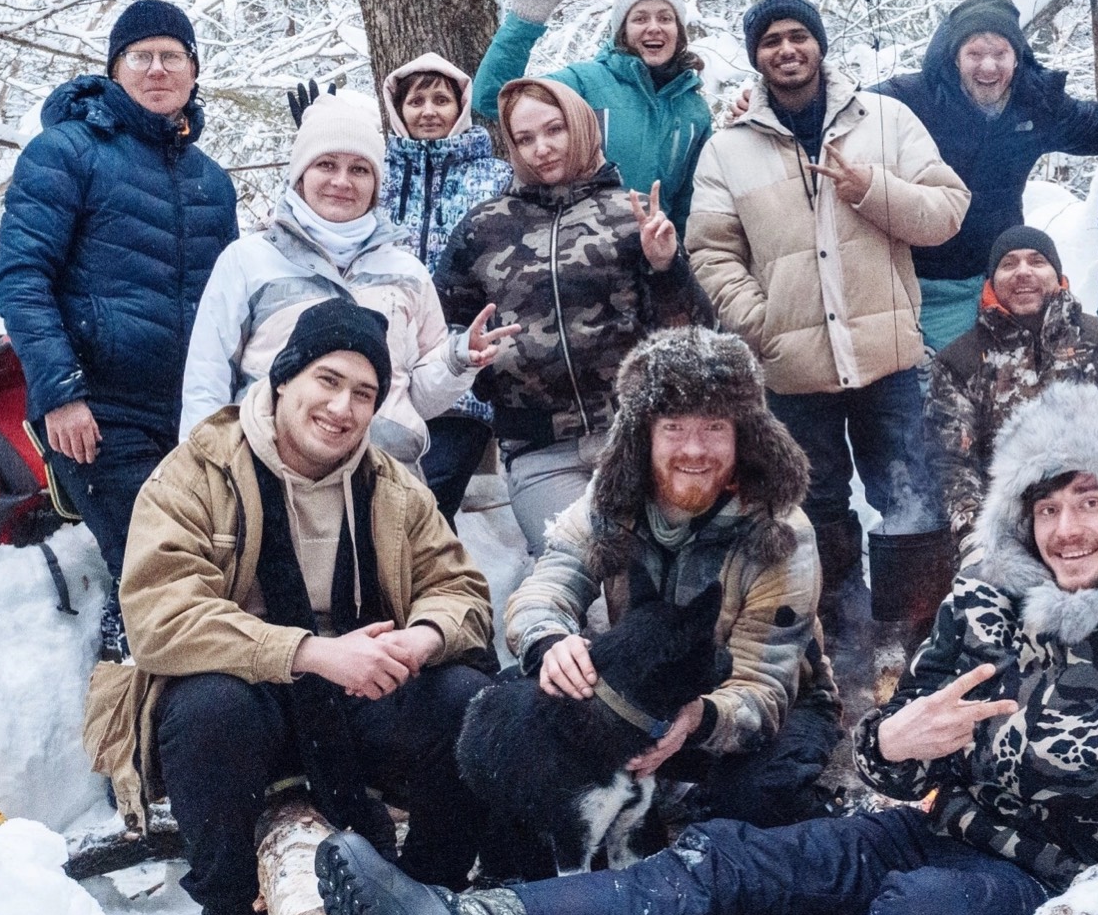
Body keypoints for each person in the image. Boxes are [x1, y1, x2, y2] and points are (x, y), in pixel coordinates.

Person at [310, 381, 1098, 915]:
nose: (1067, 529)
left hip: (1041, 886)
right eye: (1047, 507)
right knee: (724, 861)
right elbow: (887, 765)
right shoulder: (983, 606)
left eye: (1088, 505)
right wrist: (896, 738)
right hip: (920, 833)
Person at [97, 299, 498, 915]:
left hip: (355, 692)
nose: (343, 408)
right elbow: (160, 614)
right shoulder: (200, 469)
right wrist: (309, 651)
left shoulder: (390, 484)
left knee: (467, 698)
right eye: (328, 381)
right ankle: (233, 912)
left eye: (363, 393)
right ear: (284, 378)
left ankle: (428, 885)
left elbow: (463, 592)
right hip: (247, 694)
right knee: (206, 708)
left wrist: (417, 638)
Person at [686, 0, 968, 620]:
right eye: (771, 41)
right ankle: (844, 641)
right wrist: (764, 325)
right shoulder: (727, 148)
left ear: (819, 44)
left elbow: (948, 210)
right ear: (757, 57)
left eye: (798, 36)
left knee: (911, 501)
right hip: (793, 369)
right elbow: (710, 252)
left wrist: (871, 189)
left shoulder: (886, 121)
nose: (787, 50)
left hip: (888, 359)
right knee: (814, 511)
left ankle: (919, 634)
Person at [504, 328, 840, 831]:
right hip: (642, 698)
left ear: (743, 436)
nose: (694, 450)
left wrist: (695, 721)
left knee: (753, 804)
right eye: (674, 428)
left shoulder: (782, 531)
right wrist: (549, 641)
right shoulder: (610, 504)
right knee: (519, 716)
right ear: (644, 435)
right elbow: (550, 581)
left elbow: (764, 684)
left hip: (759, 707)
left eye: (714, 427)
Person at [0, 0, 238, 659]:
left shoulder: (212, 183)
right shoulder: (64, 152)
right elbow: (22, 277)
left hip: (191, 414)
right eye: (141, 56)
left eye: (172, 55)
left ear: (193, 71)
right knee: (156, 562)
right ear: (114, 69)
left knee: (229, 560)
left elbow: (229, 302)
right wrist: (61, 393)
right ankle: (130, 723)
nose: (157, 68)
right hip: (99, 411)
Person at [436, 78, 712, 557]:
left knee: (644, 576)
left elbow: (694, 336)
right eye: (525, 139)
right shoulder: (483, 228)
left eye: (554, 130)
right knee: (567, 570)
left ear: (581, 127)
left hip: (631, 436)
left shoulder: (632, 215)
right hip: (537, 449)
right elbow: (445, 329)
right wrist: (471, 357)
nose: (541, 149)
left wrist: (667, 267)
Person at [180, 90, 515, 469]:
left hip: (384, 476)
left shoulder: (407, 271)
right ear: (300, 174)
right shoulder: (249, 260)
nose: (342, 181)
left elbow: (415, 399)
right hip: (269, 471)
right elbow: (206, 381)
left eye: (359, 169)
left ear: (377, 183)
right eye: (326, 164)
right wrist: (202, 470)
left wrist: (456, 361)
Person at [871, 0, 1098, 351]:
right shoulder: (913, 98)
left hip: (1001, 279)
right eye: (974, 54)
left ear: (1017, 58)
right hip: (927, 285)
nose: (988, 67)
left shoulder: (1035, 102)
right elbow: (843, 113)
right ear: (955, 58)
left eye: (1000, 54)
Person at [928, 225, 1098, 544]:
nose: (1023, 272)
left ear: (1058, 275)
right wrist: (977, 542)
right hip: (1007, 538)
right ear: (991, 282)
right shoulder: (959, 362)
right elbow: (952, 466)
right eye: (1008, 264)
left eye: (1037, 261)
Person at [472, 0, 711, 233]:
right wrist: (523, 24)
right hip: (584, 254)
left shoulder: (695, 110)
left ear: (679, 30)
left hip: (653, 263)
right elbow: (492, 98)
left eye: (665, 18)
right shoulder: (584, 82)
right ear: (621, 30)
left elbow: (689, 205)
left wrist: (676, 263)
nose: (654, 28)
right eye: (640, 18)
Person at [376, 52, 513, 522]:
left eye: (441, 99)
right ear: (398, 108)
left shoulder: (496, 176)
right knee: (382, 505)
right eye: (416, 101)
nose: (429, 111)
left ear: (461, 107)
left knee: (426, 503)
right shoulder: (376, 174)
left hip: (461, 381)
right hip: (383, 377)